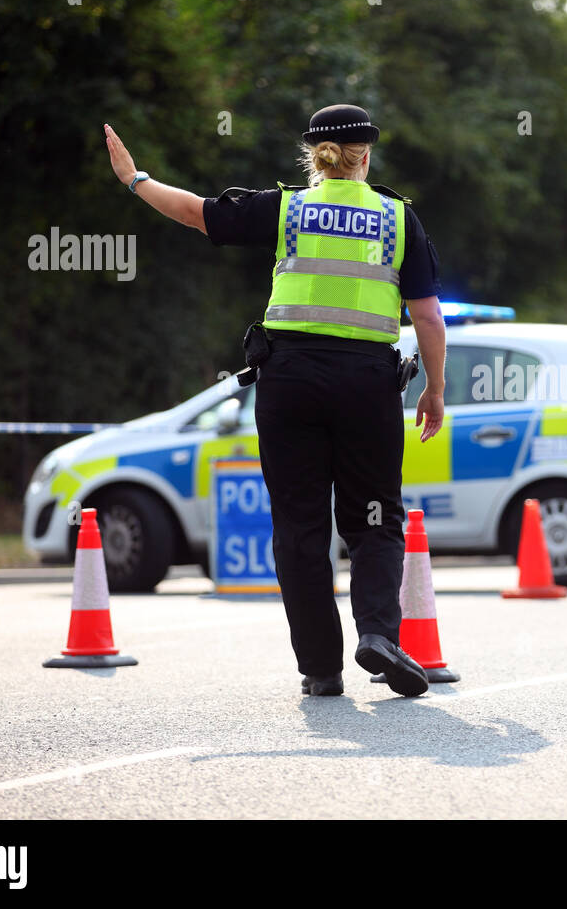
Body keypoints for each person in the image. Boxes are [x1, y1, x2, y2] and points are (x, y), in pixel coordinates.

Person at [103, 104, 447, 698]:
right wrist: (434, 390)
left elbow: (194, 212)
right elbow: (426, 316)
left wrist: (135, 180)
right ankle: (377, 634)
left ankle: (320, 668)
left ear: (316, 155)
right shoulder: (397, 218)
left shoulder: (286, 207)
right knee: (374, 519)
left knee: (299, 526)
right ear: (365, 154)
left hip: (289, 385)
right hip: (366, 386)